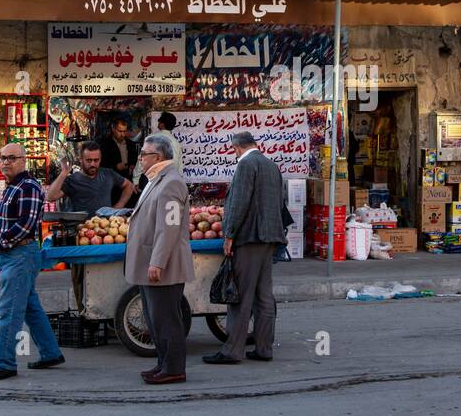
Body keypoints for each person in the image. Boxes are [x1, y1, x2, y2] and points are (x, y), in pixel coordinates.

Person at [204, 131, 286, 365]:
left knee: (240, 296)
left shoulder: (245, 165)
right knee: (264, 296)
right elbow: (280, 204)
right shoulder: (271, 165)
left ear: (236, 148)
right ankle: (264, 347)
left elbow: (238, 203)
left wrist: (229, 235)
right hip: (269, 238)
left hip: (249, 238)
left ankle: (232, 351)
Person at [0, 143, 64, 382]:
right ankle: (50, 353)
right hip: (12, 254)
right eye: (2, 158)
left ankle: (5, 363)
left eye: (11, 158)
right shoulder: (12, 187)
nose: (5, 162)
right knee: (30, 307)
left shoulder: (28, 186)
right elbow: (2, 221)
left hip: (20, 255)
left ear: (23, 161)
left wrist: (0, 243)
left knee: (9, 311)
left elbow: (26, 225)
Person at [125, 134, 194, 385]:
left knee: (166, 319)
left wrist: (158, 262)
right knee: (154, 318)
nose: (140, 158)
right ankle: (163, 363)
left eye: (144, 154)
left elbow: (170, 227)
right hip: (150, 261)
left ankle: (174, 368)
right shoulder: (156, 180)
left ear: (159, 157)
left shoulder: (171, 183)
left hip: (164, 265)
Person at [46, 140, 135, 310]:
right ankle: (84, 313)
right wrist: (64, 173)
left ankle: (108, 313)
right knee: (81, 279)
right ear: (81, 160)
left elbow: (128, 186)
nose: (93, 164)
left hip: (107, 234)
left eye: (96, 160)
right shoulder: (73, 180)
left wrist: (117, 208)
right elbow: (50, 196)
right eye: (89, 160)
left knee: (108, 278)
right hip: (82, 236)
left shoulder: (108, 175)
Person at [134, 111, 183, 188]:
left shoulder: (152, 138)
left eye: (159, 121)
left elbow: (142, 160)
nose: (158, 123)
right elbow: (179, 167)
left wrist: (135, 180)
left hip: (152, 181)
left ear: (162, 124)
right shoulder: (176, 143)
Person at [105, 118, 138, 183]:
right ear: (113, 129)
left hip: (128, 178)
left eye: (124, 131)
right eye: (120, 131)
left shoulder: (131, 144)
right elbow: (102, 164)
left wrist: (132, 165)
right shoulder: (105, 145)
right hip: (112, 180)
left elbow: (134, 158)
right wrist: (115, 167)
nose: (123, 134)